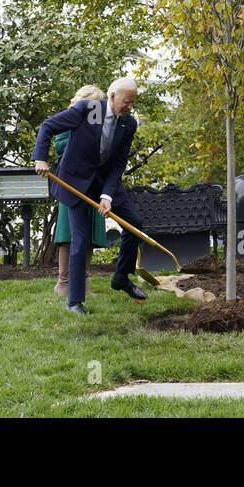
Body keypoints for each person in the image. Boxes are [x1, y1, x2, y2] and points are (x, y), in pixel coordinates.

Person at [33, 77, 145, 315]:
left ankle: (121, 278)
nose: (129, 107)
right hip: (76, 179)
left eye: (133, 102)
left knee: (134, 223)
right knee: (80, 239)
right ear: (112, 96)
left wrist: (107, 196)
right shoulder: (87, 109)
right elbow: (48, 126)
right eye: (127, 101)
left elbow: (118, 163)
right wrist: (40, 158)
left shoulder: (129, 124)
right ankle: (75, 301)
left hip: (104, 181)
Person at [49, 85, 111, 299]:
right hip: (72, 183)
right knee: (69, 235)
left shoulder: (103, 122)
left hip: (94, 184)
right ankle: (63, 282)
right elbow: (59, 145)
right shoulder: (70, 118)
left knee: (90, 233)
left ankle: (83, 281)